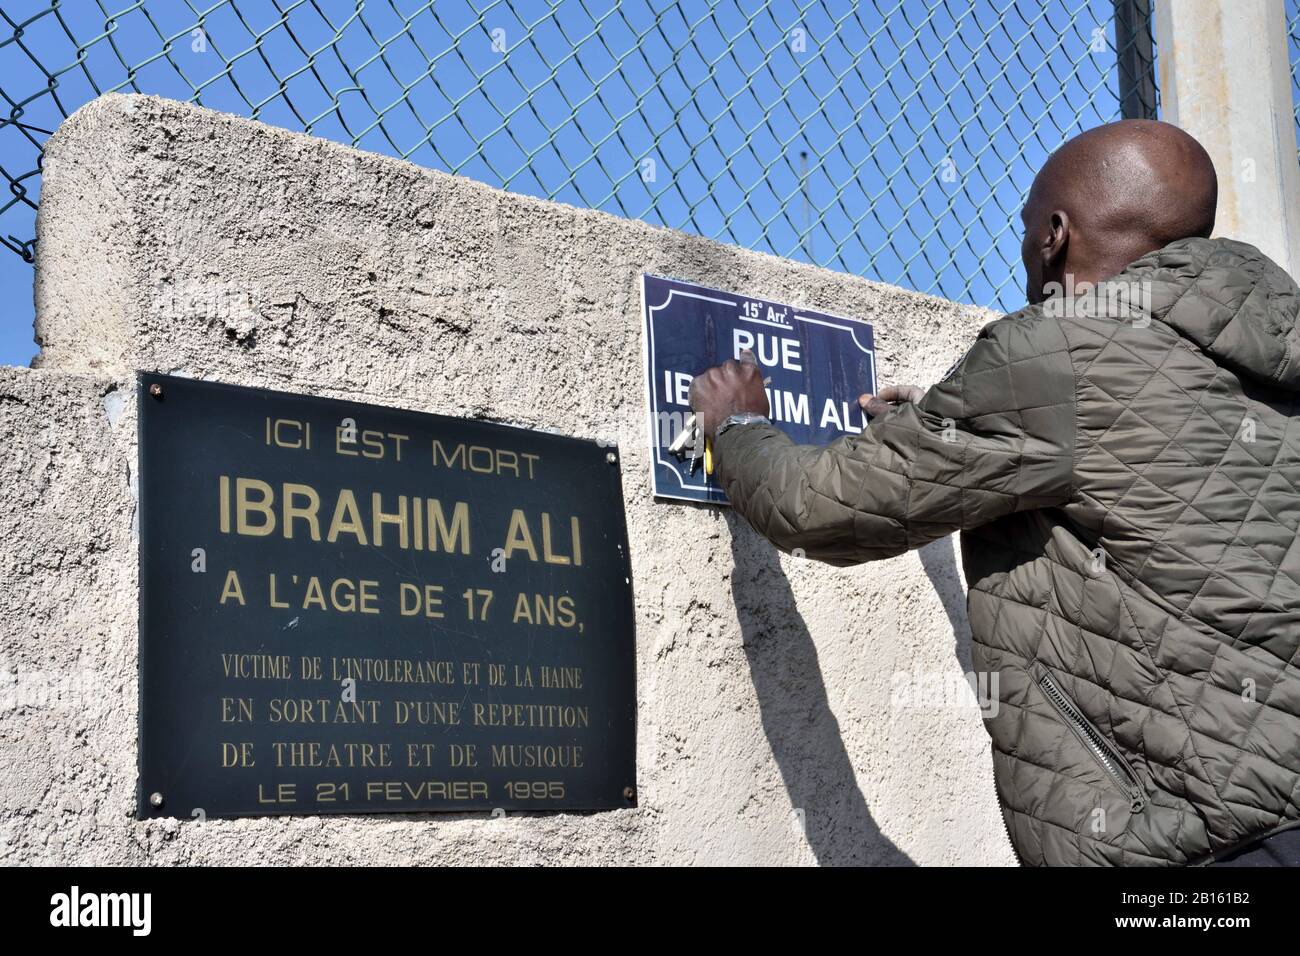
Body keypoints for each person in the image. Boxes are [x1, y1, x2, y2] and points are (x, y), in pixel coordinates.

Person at [689, 119, 1300, 866]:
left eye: (1024, 228)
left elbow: (819, 508)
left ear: (1055, 234)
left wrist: (739, 423)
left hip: (1194, 847)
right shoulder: (1272, 366)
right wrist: (939, 432)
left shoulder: (1060, 350)